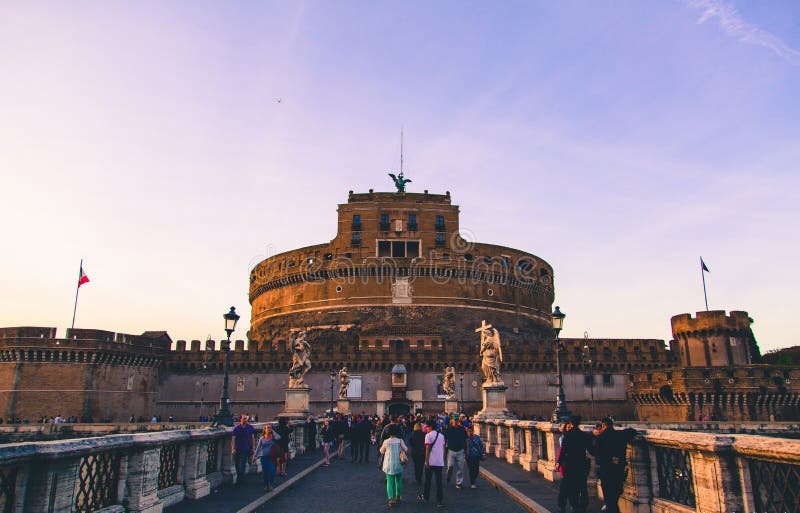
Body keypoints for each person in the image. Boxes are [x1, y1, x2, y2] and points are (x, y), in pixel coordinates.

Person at [592, 417, 637, 513]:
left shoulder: (600, 438)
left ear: (603, 425)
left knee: (609, 498)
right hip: (618, 470)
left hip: (606, 471)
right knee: (615, 494)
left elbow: (598, 456)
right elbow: (632, 431)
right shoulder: (620, 434)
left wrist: (610, 459)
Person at [555, 416, 592, 513]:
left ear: (571, 424)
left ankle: (573, 505)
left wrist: (559, 462)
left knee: (569, 485)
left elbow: (563, 451)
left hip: (570, 464)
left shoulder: (567, 436)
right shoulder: (584, 436)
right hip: (581, 463)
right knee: (582, 486)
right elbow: (592, 450)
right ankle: (583, 505)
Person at [379, 424, 409, 507]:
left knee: (389, 481)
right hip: (398, 463)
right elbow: (406, 449)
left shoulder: (386, 441)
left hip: (389, 464)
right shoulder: (400, 440)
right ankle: (398, 496)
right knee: (398, 481)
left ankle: (391, 499)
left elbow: (381, 451)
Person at [419, 420, 446, 507]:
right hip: (439, 461)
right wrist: (443, 458)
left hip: (431, 461)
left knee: (428, 481)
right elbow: (444, 449)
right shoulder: (441, 436)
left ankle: (426, 497)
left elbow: (427, 449)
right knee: (439, 482)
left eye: (426, 427)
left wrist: (426, 461)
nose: (426, 428)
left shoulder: (428, 436)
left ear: (430, 427)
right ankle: (439, 500)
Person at [252, 424, 281, 491]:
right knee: (265, 472)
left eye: (270, 427)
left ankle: (271, 484)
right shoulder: (262, 438)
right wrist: (254, 456)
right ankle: (266, 485)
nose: (268, 429)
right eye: (267, 428)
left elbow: (279, 437)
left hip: (272, 457)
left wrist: (273, 431)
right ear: (264, 429)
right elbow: (258, 448)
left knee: (272, 471)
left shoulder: (273, 437)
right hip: (264, 457)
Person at [231, 415, 256, 484]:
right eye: (244, 419)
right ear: (240, 420)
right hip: (237, 448)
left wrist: (253, 447)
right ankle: (240, 476)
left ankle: (239, 478)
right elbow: (233, 439)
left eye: (246, 419)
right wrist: (233, 448)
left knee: (242, 463)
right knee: (236, 464)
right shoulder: (236, 428)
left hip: (246, 448)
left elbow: (253, 438)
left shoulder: (250, 427)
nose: (245, 420)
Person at [444, 416, 468, 489]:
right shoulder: (448, 429)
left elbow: (466, 440)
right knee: (450, 466)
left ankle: (459, 483)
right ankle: (448, 476)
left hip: (460, 450)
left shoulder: (462, 429)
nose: (456, 421)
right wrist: (444, 451)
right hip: (451, 450)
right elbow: (445, 441)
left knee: (460, 467)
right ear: (452, 421)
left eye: (457, 420)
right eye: (455, 420)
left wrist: (467, 450)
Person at [465, 424, 486, 489]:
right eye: (468, 431)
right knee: (471, 469)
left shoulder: (477, 437)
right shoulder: (466, 439)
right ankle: (472, 483)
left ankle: (473, 479)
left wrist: (483, 454)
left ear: (473, 431)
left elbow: (481, 446)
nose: (470, 433)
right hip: (469, 456)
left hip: (477, 455)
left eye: (471, 431)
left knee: (476, 470)